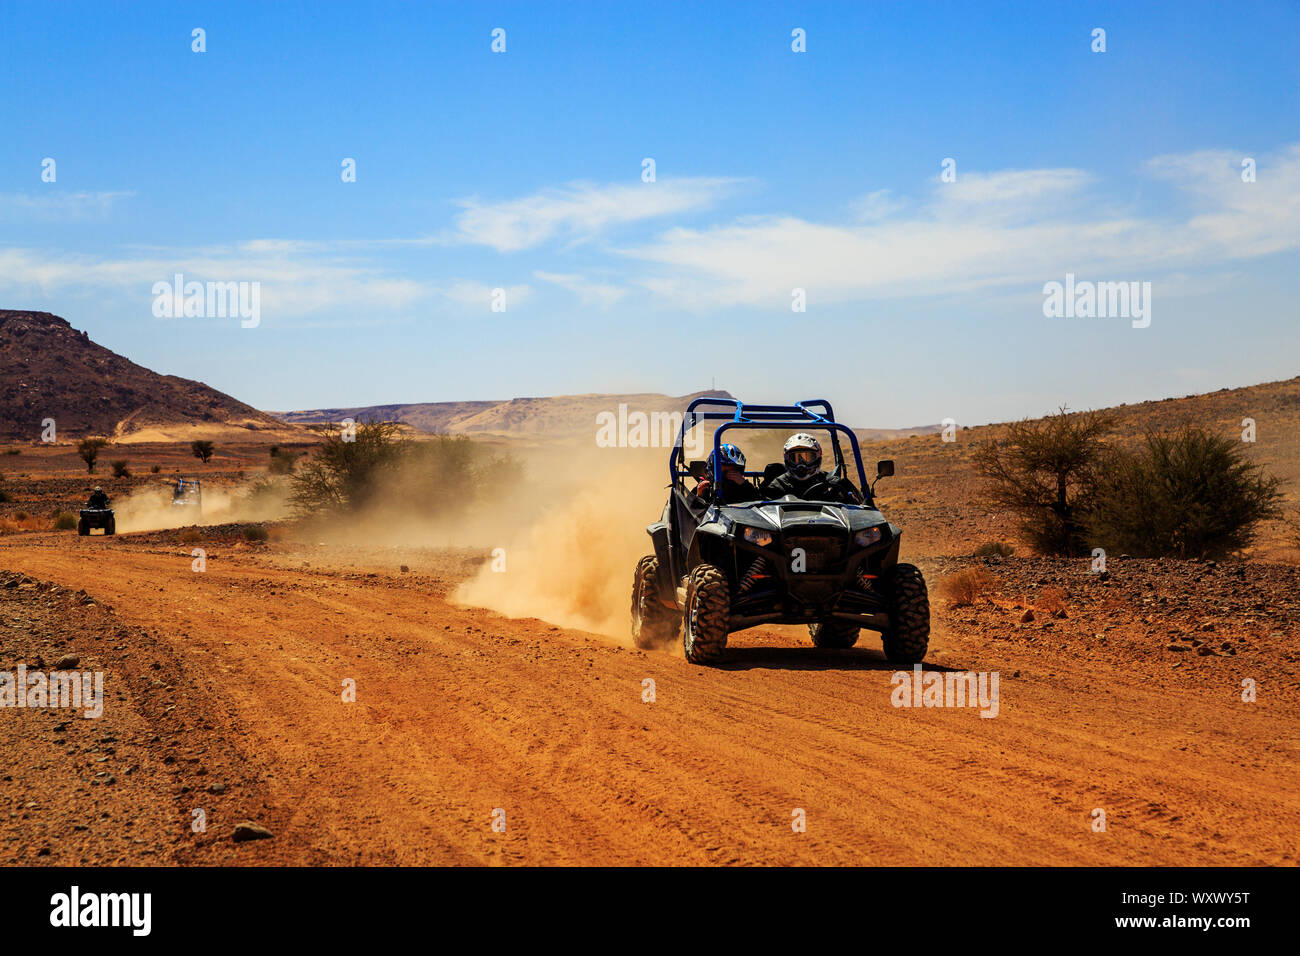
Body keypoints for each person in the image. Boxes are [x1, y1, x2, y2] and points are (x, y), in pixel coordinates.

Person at [760, 433, 863, 504]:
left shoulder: (830, 483)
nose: (801, 464)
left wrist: (840, 491)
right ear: (787, 459)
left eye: (807, 457)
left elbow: (857, 510)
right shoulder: (777, 486)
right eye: (795, 458)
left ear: (817, 458)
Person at [693, 443, 760, 504]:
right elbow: (692, 511)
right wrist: (699, 496)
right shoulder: (705, 487)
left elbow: (760, 503)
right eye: (724, 470)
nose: (729, 474)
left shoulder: (743, 487)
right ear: (713, 469)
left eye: (733, 470)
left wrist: (744, 485)